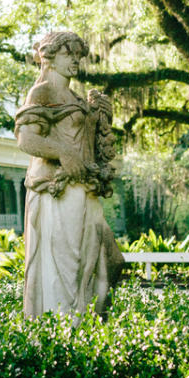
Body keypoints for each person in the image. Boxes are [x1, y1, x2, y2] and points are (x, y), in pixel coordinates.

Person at [14, 30, 123, 319]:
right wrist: (63, 153)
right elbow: (27, 139)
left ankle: (89, 331)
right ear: (48, 58)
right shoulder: (42, 92)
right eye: (68, 53)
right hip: (58, 193)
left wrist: (101, 118)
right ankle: (65, 333)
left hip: (84, 192)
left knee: (109, 261)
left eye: (78, 54)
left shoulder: (75, 97)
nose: (75, 60)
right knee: (68, 271)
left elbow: (93, 149)